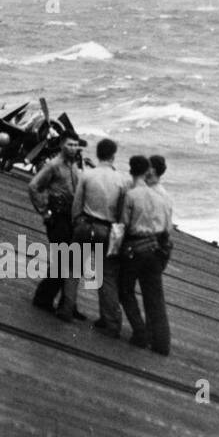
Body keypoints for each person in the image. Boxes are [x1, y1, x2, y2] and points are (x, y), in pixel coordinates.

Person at [72, 138, 131, 338]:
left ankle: (66, 307)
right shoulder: (122, 180)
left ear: (97, 154)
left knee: (73, 268)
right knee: (105, 276)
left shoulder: (87, 174)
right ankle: (111, 322)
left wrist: (76, 223)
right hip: (106, 230)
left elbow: (77, 204)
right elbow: (122, 214)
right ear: (113, 156)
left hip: (85, 225)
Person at [118, 153, 174, 355]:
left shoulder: (141, 193)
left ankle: (141, 331)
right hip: (158, 249)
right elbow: (168, 228)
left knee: (125, 288)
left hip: (137, 247)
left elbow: (124, 225)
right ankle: (161, 342)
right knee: (155, 298)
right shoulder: (165, 197)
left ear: (151, 171)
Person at [28, 136, 87, 319]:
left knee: (71, 260)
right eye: (70, 144)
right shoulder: (53, 165)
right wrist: (44, 211)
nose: (73, 148)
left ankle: (68, 302)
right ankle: (43, 298)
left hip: (71, 217)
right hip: (58, 216)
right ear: (62, 145)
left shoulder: (74, 165)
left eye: (76, 145)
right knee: (62, 260)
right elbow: (33, 186)